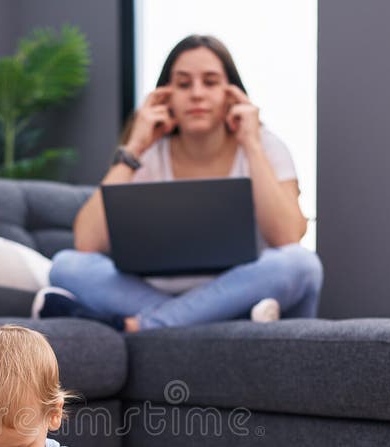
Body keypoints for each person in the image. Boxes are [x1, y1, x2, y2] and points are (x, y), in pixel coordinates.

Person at [34, 34, 323, 331]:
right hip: (159, 292)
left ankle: (144, 324)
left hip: (244, 287)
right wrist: (134, 146)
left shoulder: (265, 147)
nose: (197, 94)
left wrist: (250, 143)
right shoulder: (147, 153)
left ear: (231, 93)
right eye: (184, 84)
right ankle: (223, 319)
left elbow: (287, 236)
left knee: (302, 264)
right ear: (166, 95)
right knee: (66, 265)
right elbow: (87, 243)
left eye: (210, 82)